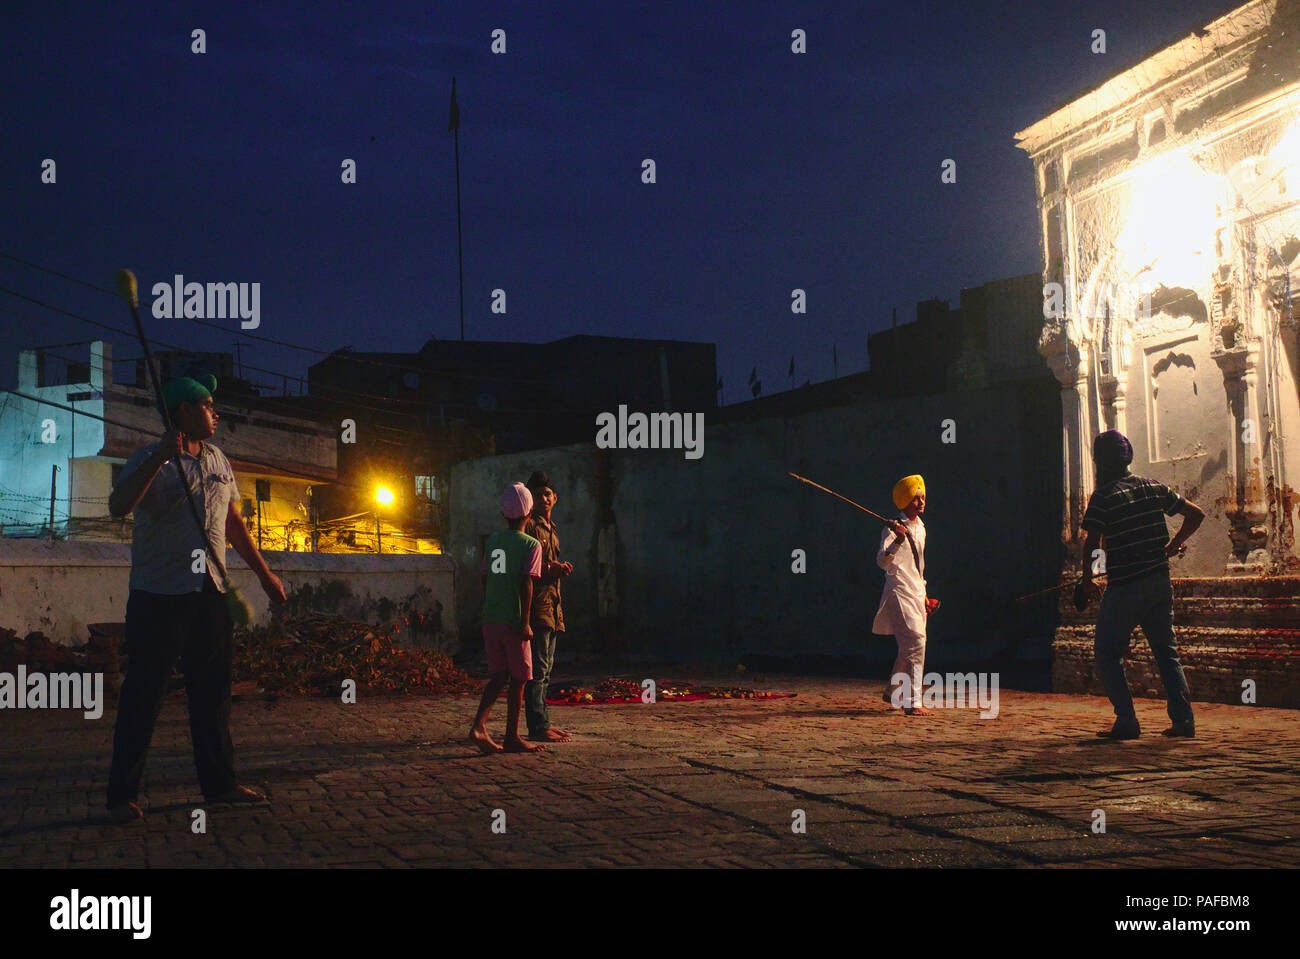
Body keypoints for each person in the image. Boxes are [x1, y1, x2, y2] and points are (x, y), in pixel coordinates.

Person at [105, 374, 286, 823]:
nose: (215, 411)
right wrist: (160, 459)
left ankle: (219, 785)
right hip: (159, 593)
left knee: (213, 694)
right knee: (144, 695)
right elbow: (118, 506)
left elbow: (233, 522)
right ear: (185, 410)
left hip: (210, 590)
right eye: (208, 404)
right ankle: (121, 796)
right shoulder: (148, 458)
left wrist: (264, 575)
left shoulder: (219, 459)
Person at [1076, 430, 1202, 739]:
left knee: (1107, 652)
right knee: (1166, 653)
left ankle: (1127, 720)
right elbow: (1196, 515)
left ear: (1100, 463)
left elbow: (1091, 544)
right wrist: (1174, 545)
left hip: (1124, 587)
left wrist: (1087, 580)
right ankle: (1183, 721)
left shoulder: (1103, 497)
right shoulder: (1152, 487)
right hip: (1159, 582)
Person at [469, 482, 545, 755]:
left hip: (491, 617)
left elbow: (485, 577)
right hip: (513, 621)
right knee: (520, 677)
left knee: (499, 674)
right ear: (529, 514)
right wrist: (525, 622)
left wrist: (488, 606)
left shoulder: (493, 541)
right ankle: (512, 735)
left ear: (504, 514)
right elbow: (527, 584)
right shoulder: (531, 545)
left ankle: (479, 725)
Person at [874, 474, 939, 716]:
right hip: (898, 592)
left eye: (922, 497)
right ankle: (913, 701)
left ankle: (892, 690)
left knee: (909, 646)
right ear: (904, 502)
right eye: (915, 499)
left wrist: (923, 593)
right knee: (916, 642)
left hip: (915, 592)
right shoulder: (891, 529)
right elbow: (882, 562)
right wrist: (898, 540)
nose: (921, 502)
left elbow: (918, 565)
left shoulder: (921, 528)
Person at [523, 471, 574, 742]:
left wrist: (558, 569)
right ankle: (538, 726)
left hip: (552, 606)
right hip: (537, 606)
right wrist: (549, 569)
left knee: (547, 669)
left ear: (555, 498)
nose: (544, 498)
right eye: (538, 494)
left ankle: (543, 722)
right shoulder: (529, 527)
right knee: (538, 670)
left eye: (547, 493)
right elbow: (525, 568)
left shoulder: (552, 530)